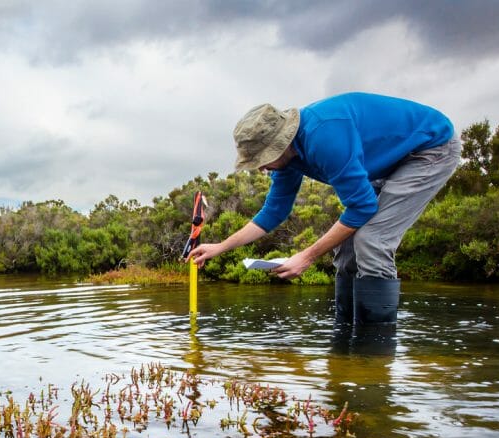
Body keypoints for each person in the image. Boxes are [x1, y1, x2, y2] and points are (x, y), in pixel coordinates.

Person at [189, 92, 461, 325]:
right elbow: (274, 211)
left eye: (264, 159)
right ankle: (345, 340)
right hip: (390, 159)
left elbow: (362, 207)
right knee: (345, 247)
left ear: (281, 144)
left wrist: (307, 257)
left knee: (372, 240)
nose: (261, 167)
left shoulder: (325, 138)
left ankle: (373, 353)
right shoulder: (288, 158)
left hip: (429, 149)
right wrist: (220, 247)